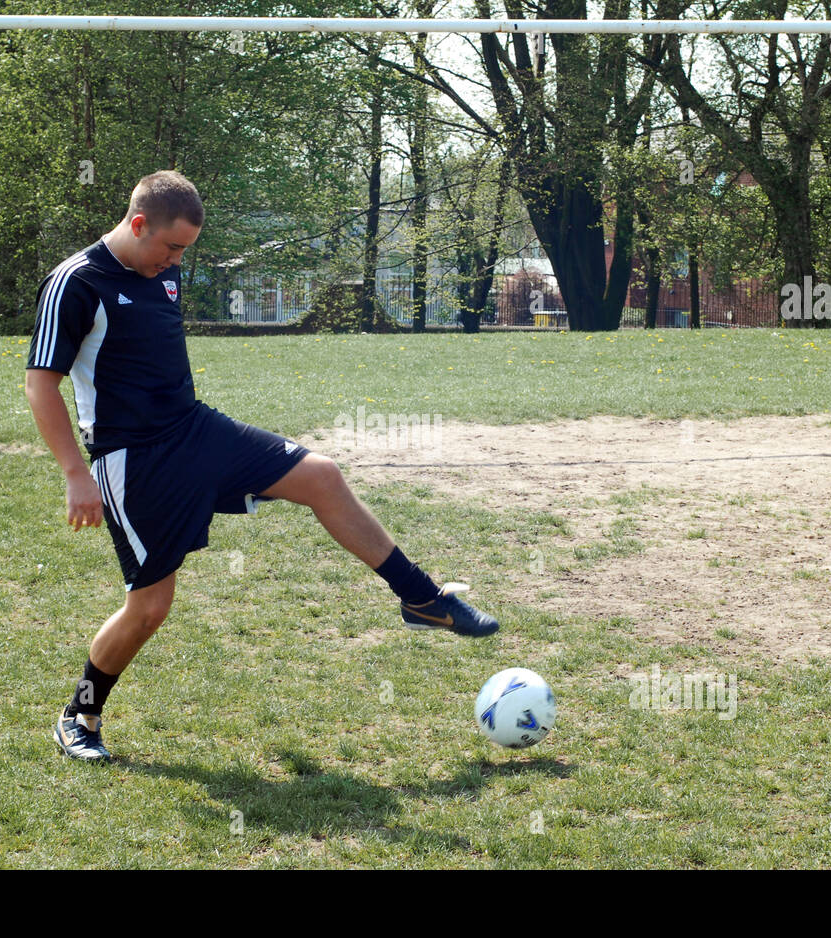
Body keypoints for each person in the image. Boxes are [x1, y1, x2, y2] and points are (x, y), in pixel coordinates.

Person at [25, 170, 499, 762]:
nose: (175, 262)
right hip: (132, 458)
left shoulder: (163, 269)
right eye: (171, 248)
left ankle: (422, 599)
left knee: (321, 475)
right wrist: (75, 474)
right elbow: (41, 383)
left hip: (195, 429)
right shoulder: (77, 282)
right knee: (150, 608)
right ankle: (81, 715)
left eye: (184, 252)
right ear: (138, 223)